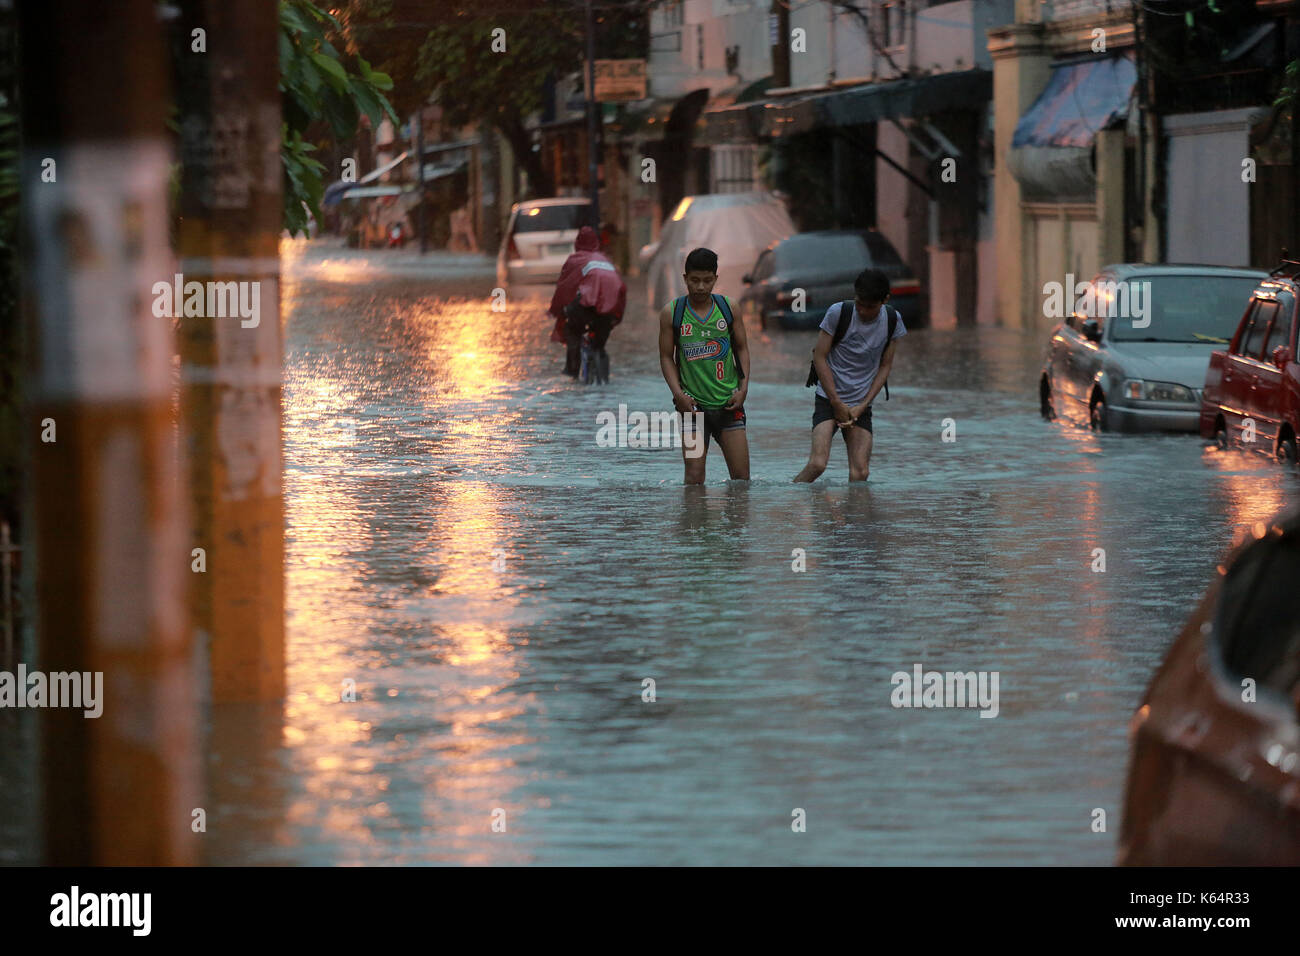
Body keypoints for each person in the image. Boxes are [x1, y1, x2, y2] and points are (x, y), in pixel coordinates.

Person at [794, 268, 905, 483]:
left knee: (860, 472)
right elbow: (820, 356)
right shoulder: (838, 312)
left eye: (870, 307)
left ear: (885, 300)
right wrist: (836, 402)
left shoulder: (893, 319)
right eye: (859, 303)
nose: (862, 311)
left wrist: (863, 405)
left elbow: (885, 366)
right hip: (828, 398)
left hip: (861, 404)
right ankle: (792, 501)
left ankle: (854, 516)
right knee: (817, 464)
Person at [658, 247, 750, 484]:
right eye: (695, 280)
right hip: (693, 407)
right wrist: (678, 395)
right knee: (694, 478)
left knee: (741, 480)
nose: (700, 287)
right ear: (685, 278)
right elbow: (666, 356)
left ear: (715, 279)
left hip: (729, 404)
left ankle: (737, 522)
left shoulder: (729, 309)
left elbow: (742, 348)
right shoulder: (673, 313)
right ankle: (694, 522)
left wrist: (743, 388)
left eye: (707, 280)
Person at [549, 225, 627, 380]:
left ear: (577, 243)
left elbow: (563, 288)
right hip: (610, 309)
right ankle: (599, 351)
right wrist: (615, 319)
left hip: (586, 307)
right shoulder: (606, 260)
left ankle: (572, 371)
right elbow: (621, 292)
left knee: (572, 329)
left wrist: (556, 310)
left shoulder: (575, 259)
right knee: (600, 340)